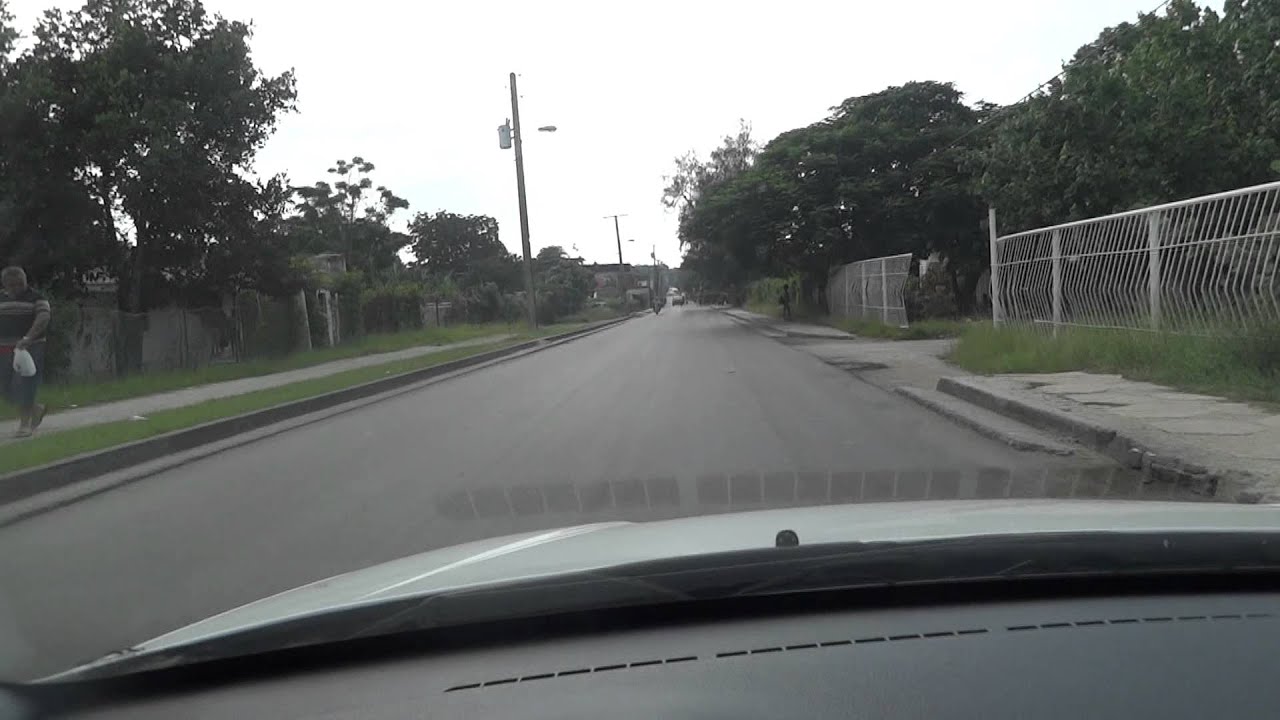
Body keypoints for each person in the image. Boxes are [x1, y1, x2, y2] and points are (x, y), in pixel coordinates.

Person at [1, 266, 51, 437]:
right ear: (5, 285)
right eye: (12, 285)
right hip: (4, 347)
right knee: (5, 387)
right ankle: (36, 409)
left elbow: (43, 317)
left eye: (19, 284)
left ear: (25, 281)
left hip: (31, 346)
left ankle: (25, 424)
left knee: (25, 383)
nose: (16, 288)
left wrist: (28, 337)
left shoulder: (36, 297)